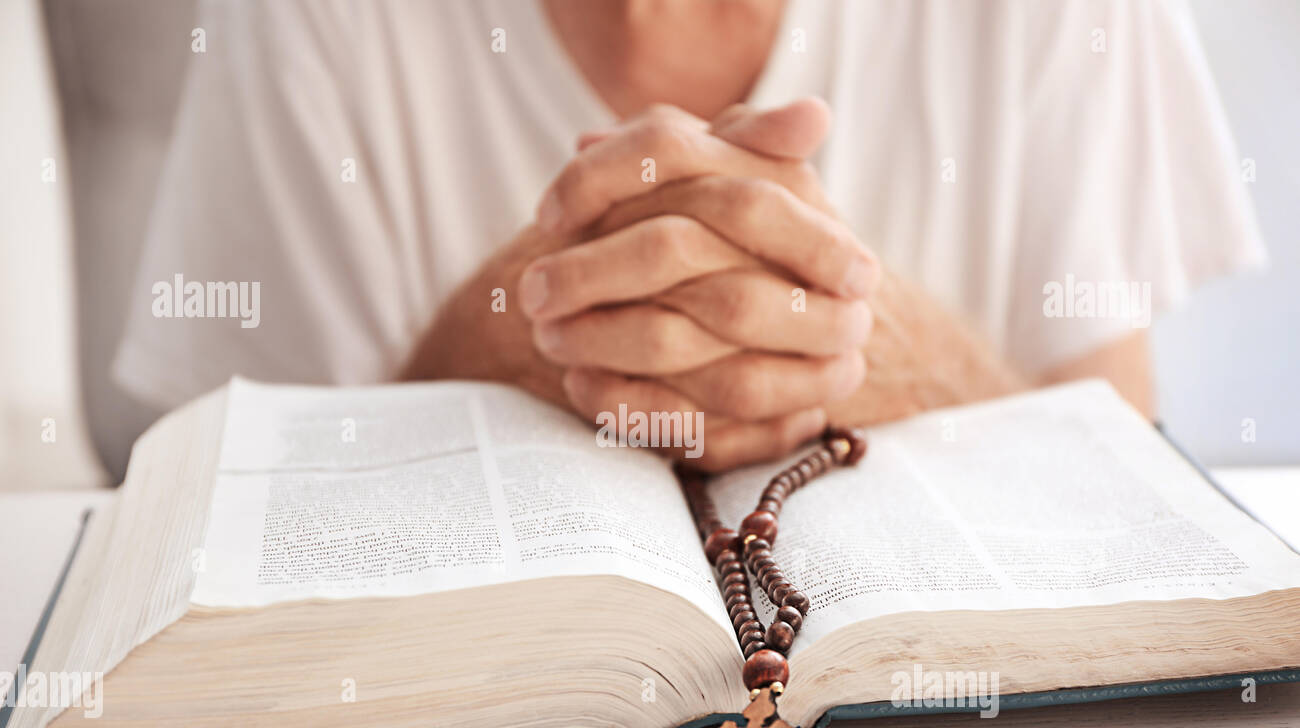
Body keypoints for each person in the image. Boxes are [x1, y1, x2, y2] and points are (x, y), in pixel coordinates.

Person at [112, 0, 1264, 471]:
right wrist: (531, 321)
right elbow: (231, 536)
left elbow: (1124, 506)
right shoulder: (306, 23)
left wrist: (862, 339)